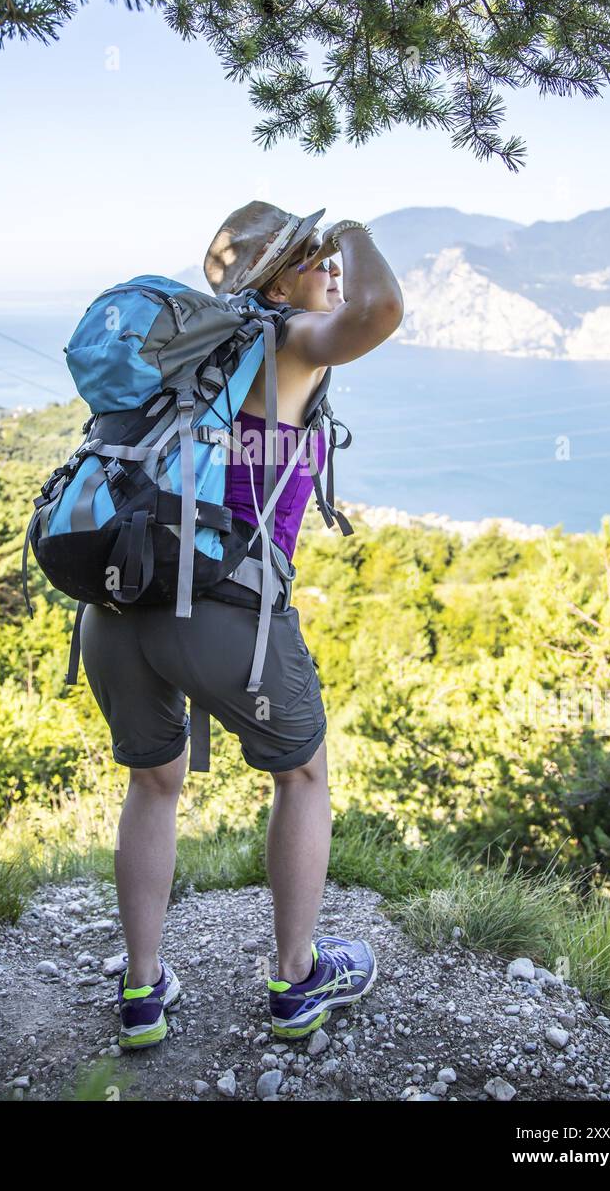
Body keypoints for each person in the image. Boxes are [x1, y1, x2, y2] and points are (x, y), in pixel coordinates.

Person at [79, 201, 404, 1048]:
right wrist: (362, 230)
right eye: (317, 255)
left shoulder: (177, 360)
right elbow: (382, 312)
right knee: (302, 777)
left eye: (335, 253)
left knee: (153, 784)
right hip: (221, 615)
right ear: (276, 275)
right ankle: (297, 980)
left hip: (112, 609)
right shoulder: (286, 342)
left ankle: (142, 992)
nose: (332, 268)